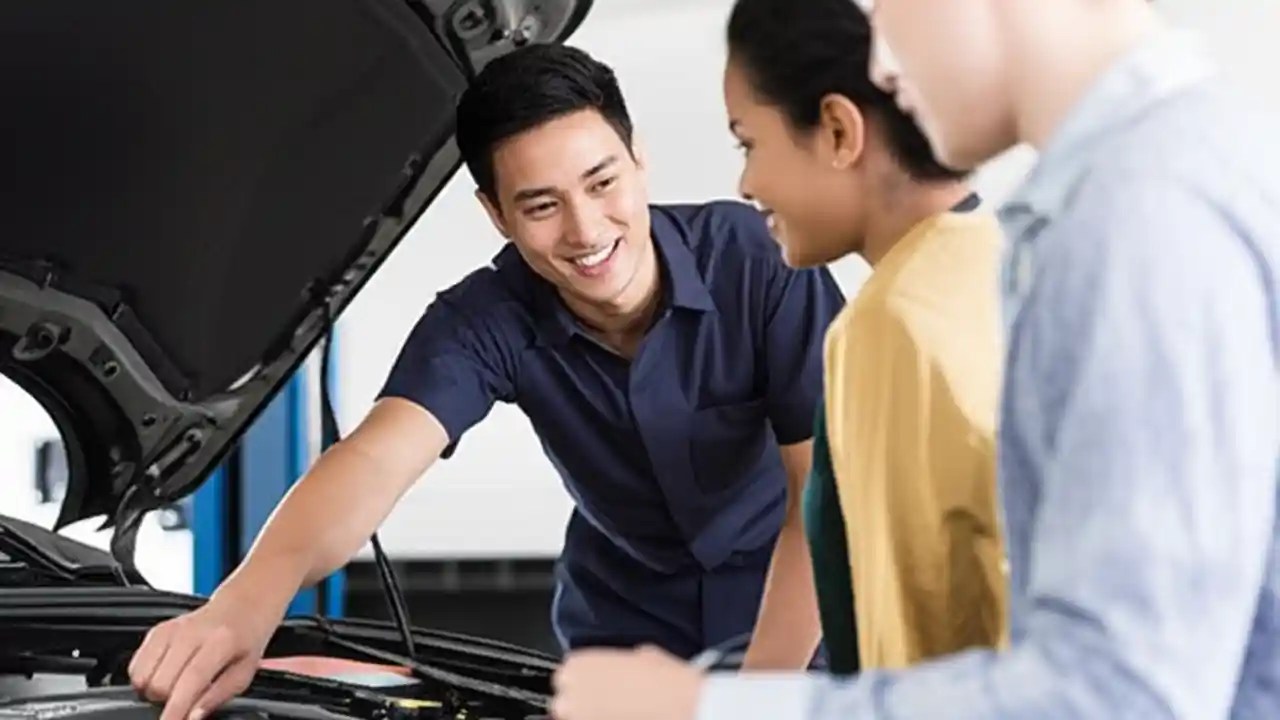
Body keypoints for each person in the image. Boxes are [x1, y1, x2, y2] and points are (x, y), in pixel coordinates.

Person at [547, 0, 1280, 718]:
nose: (882, 58)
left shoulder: (1134, 219)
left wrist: (709, 707)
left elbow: (1120, 691)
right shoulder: (1165, 180)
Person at [126, 43, 845, 720]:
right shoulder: (485, 319)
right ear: (496, 215)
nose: (586, 228)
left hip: (800, 616)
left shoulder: (757, 263)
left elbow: (822, 500)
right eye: (541, 205)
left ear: (639, 161)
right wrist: (245, 603)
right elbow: (374, 459)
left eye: (602, 183)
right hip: (625, 631)